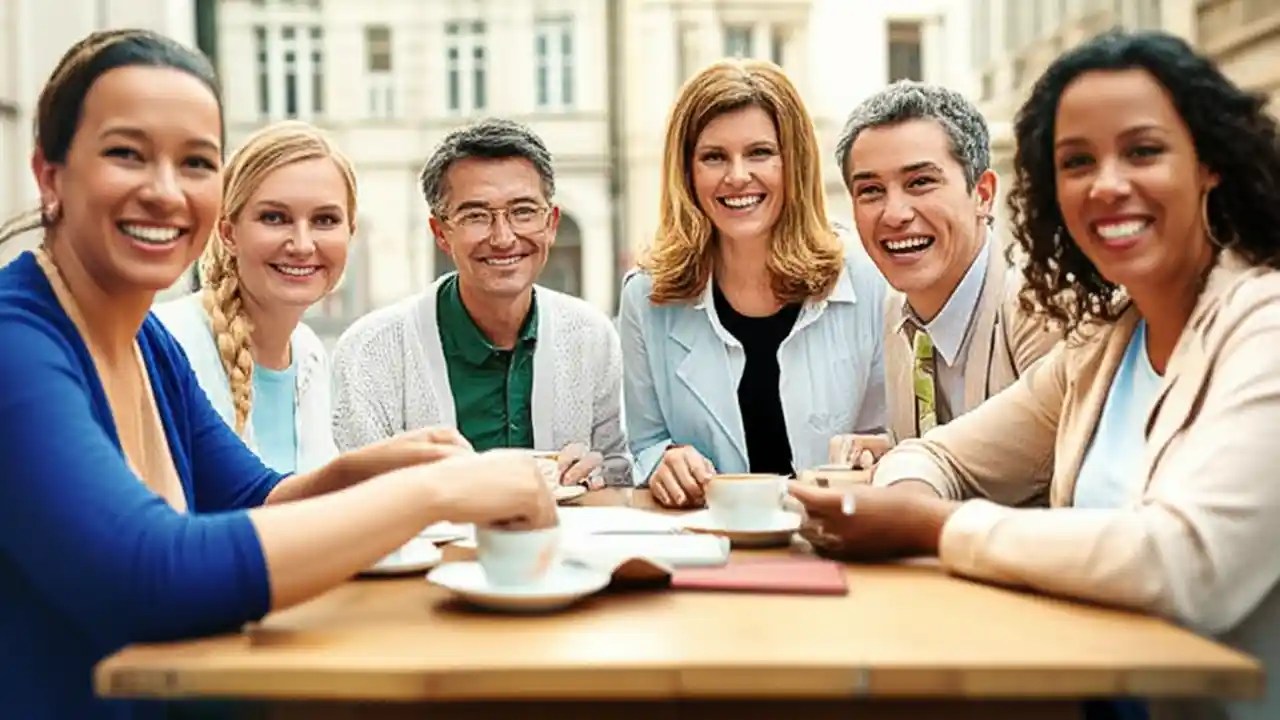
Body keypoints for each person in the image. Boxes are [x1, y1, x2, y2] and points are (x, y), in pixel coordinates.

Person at [0, 29, 554, 720]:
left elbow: (254, 496)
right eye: (126, 154)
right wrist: (434, 488)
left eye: (196, 162)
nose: (166, 191)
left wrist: (380, 464)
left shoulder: (140, 337)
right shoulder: (16, 342)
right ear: (50, 174)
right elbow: (146, 574)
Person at [789, 30, 1280, 720]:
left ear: (1211, 166)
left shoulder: (1265, 326)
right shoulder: (1107, 345)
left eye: (1143, 150)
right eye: (1076, 162)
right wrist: (900, 500)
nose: (1106, 185)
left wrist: (930, 526)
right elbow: (934, 454)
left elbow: (1186, 565)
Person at [618, 58, 887, 508]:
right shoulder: (646, 298)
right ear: (686, 171)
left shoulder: (866, 282)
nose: (737, 176)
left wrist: (878, 455)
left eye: (760, 153)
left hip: (839, 542)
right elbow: (641, 444)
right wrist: (662, 460)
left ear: (794, 163)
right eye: (713, 157)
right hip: (710, 545)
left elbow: (895, 436)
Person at [330, 118, 628, 488]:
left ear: (551, 223)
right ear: (441, 232)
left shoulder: (591, 336)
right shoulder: (371, 351)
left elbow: (618, 474)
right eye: (476, 216)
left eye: (522, 212)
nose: (503, 238)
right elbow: (359, 498)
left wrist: (594, 478)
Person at [826, 81, 1060, 470]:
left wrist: (908, 467)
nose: (895, 213)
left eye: (920, 183)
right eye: (870, 190)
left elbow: (1048, 473)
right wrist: (887, 451)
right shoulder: (897, 309)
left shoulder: (1038, 304)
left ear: (983, 194)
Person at [154, 121, 353, 473]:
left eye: (325, 220)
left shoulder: (310, 356)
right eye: (275, 217)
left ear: (350, 233)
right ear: (228, 233)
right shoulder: (168, 342)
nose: (303, 245)